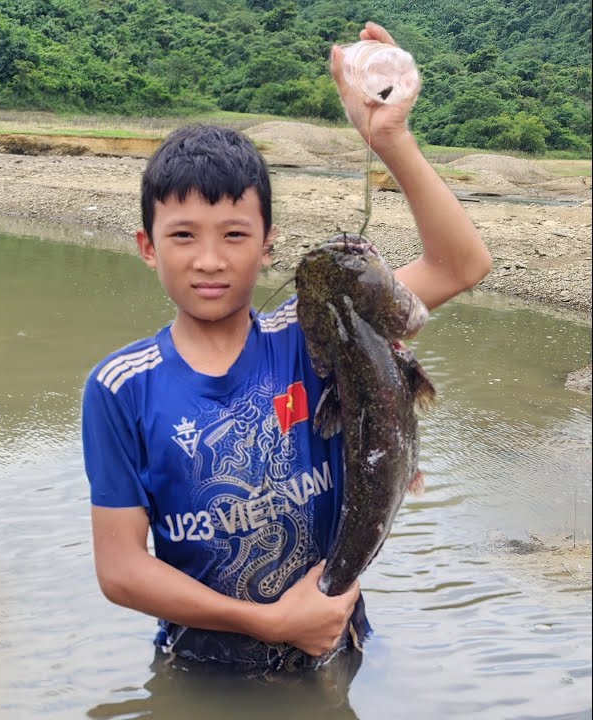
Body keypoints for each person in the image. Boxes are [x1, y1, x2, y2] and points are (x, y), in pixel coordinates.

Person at [81, 22, 491, 674]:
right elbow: (121, 569)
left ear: (268, 245)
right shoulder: (121, 388)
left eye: (234, 235)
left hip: (335, 645)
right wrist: (271, 622)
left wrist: (390, 139)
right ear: (147, 247)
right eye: (183, 235)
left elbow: (460, 265)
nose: (209, 260)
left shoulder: (315, 336)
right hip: (205, 666)